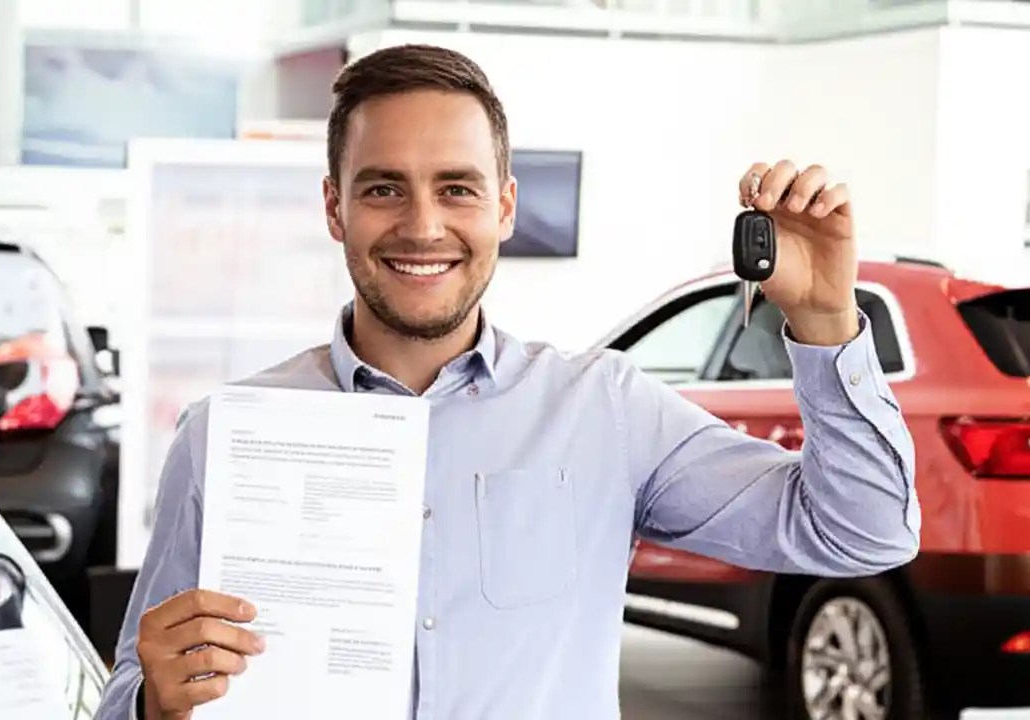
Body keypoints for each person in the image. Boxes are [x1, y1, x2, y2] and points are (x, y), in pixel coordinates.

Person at [95, 43, 920, 720]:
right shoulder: (226, 436)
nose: (423, 226)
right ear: (334, 208)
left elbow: (864, 532)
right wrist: (149, 707)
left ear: (506, 207)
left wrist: (823, 319)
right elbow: (130, 694)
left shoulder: (606, 410)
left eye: (457, 188)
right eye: (384, 189)